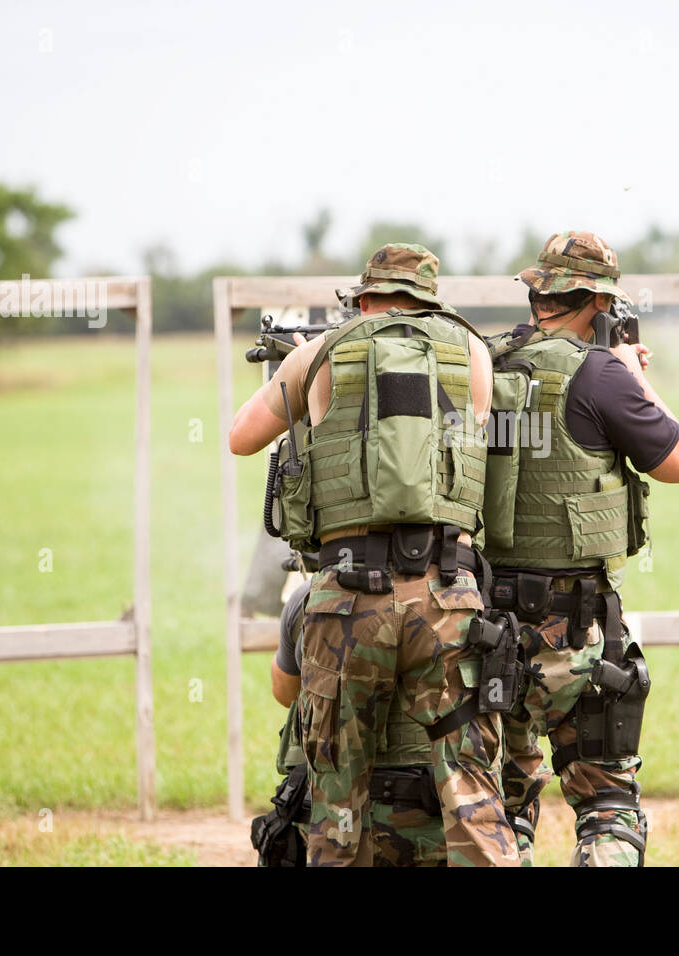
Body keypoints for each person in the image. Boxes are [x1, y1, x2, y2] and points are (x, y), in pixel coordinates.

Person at [229, 242, 517, 867]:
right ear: (431, 299)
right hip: (449, 591)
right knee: (471, 791)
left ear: (363, 298)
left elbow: (240, 437)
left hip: (347, 599)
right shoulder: (472, 353)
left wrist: (309, 380)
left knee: (336, 803)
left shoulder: (320, 353)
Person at [484, 230, 679, 866]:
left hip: (483, 622)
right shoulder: (603, 373)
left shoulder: (482, 363)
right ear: (599, 304)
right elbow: (677, 462)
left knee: (499, 804)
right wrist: (631, 373)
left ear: (536, 293)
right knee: (607, 805)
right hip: (575, 626)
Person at [256, 577, 447, 866]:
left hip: (335, 821)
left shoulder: (313, 597)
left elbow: (285, 692)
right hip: (438, 818)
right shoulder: (460, 597)